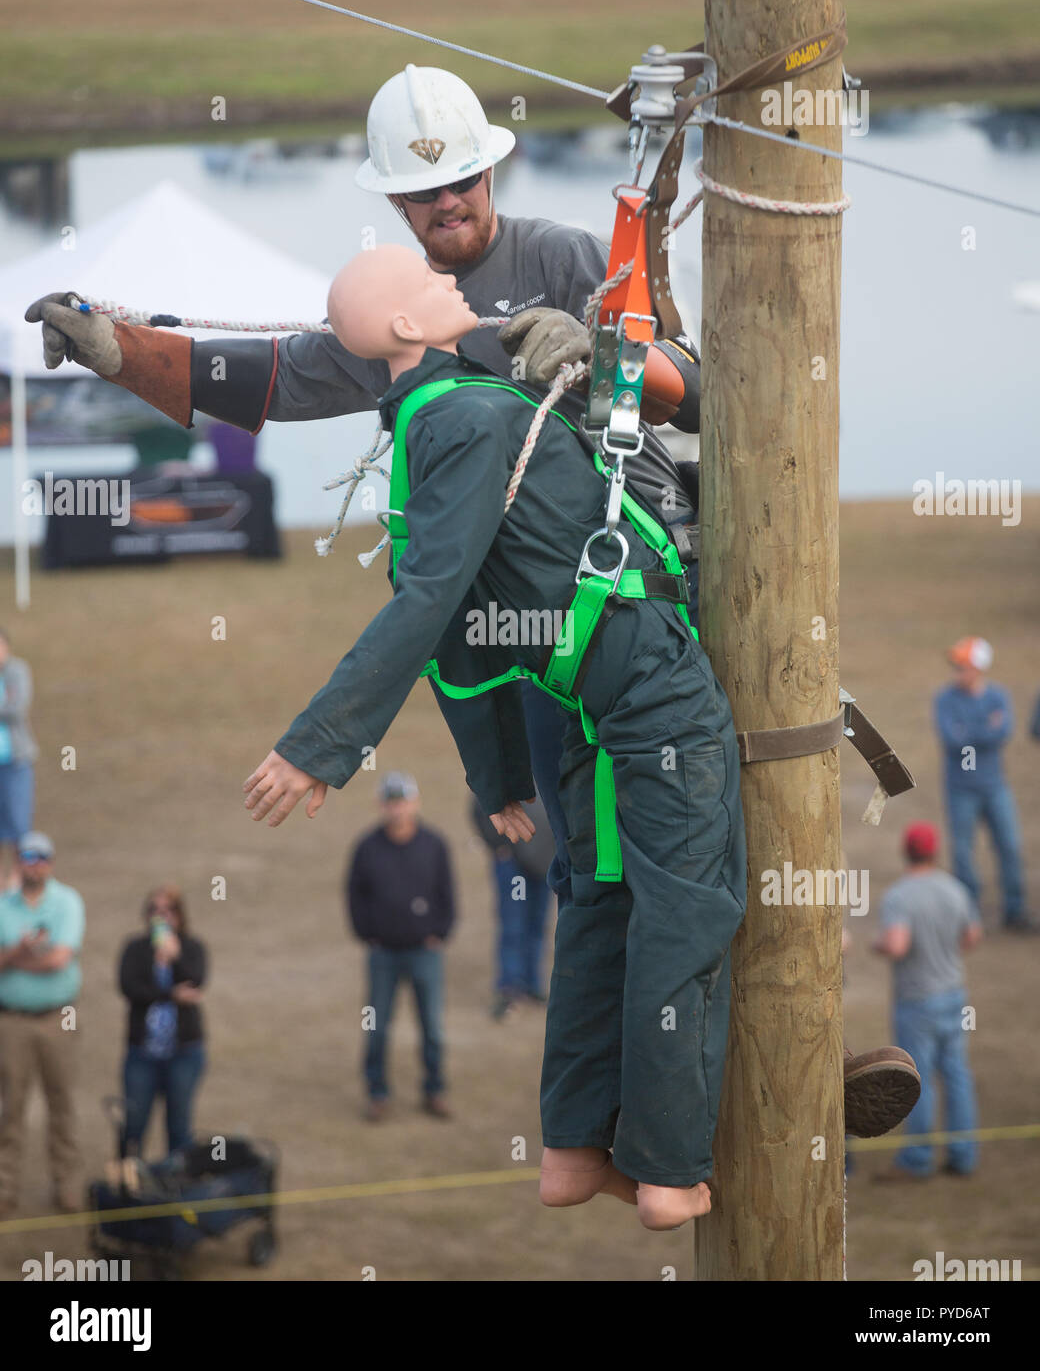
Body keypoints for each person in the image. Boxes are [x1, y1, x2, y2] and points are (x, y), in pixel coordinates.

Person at [26, 66, 917, 1131]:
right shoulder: (405, 315)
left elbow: (702, 382)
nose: (447, 209)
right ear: (397, 205)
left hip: (641, 592)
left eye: (461, 188)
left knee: (732, 823)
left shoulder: (561, 258)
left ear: (490, 172)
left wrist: (604, 359)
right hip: (538, 649)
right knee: (603, 877)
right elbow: (265, 374)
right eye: (423, 197)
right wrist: (123, 350)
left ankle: (788, 1064)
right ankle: (650, 1127)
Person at [244, 245, 747, 1230]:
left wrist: (497, 774)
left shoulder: (427, 434)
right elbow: (432, 607)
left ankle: (570, 1149)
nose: (449, 283)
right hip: (650, 688)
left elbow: (463, 642)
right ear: (402, 330)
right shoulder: (474, 420)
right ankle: (666, 1167)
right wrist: (320, 743)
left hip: (588, 708)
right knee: (686, 908)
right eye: (425, 284)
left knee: (600, 904)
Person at [873, 822, 982, 1179]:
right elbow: (972, 935)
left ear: (906, 851)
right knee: (956, 1075)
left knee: (917, 1080)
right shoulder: (955, 888)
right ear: (934, 852)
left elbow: (897, 945)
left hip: (918, 1000)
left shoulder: (900, 896)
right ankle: (963, 1155)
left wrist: (879, 946)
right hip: (954, 995)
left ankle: (918, 1159)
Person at [346, 772, 455, 1122]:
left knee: (433, 1028)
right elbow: (354, 896)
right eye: (391, 803)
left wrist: (440, 931)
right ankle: (377, 1093)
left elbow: (447, 894)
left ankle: (434, 1090)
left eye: (403, 802)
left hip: (425, 952)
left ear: (415, 803)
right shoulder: (367, 847)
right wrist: (367, 933)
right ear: (382, 805)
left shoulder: (434, 844)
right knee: (376, 1027)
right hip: (383, 954)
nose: (397, 810)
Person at [0, 831, 84, 1216]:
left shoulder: (67, 902)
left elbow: (58, 961)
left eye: (41, 857)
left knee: (62, 1101)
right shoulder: (3, 906)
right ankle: (4, 1190)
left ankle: (67, 1187)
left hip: (58, 1018)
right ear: (19, 863)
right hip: (11, 1020)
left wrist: (13, 959)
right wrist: (19, 951)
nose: (34, 864)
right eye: (27, 857)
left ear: (50, 863)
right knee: (8, 1107)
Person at [934, 636, 1031, 931]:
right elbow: (953, 740)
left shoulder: (998, 696)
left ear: (978, 669)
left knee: (1010, 846)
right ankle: (968, 913)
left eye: (962, 667)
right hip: (960, 788)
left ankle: (1015, 910)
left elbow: (1001, 733)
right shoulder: (944, 699)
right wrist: (982, 730)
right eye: (955, 667)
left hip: (994, 786)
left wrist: (970, 732)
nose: (956, 673)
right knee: (963, 852)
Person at [117, 885, 208, 1158]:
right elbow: (129, 988)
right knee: (133, 1124)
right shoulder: (136, 949)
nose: (161, 916)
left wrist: (174, 958)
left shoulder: (192, 947)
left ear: (180, 915)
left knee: (179, 1126)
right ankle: (128, 1186)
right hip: (142, 1053)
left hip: (184, 1053)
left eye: (168, 910)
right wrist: (170, 994)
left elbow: (196, 982)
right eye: (154, 910)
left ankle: (175, 1189)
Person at [470, 792, 553, 1019]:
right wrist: (498, 846)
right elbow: (480, 804)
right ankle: (510, 987)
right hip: (514, 865)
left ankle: (532, 985)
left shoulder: (551, 765)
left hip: (545, 863)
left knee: (538, 924)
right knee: (513, 925)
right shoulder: (505, 763)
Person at [0, 629, 38, 891]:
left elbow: (17, 708)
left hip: (15, 759)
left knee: (18, 821)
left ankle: (18, 875)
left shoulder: (17, 671)